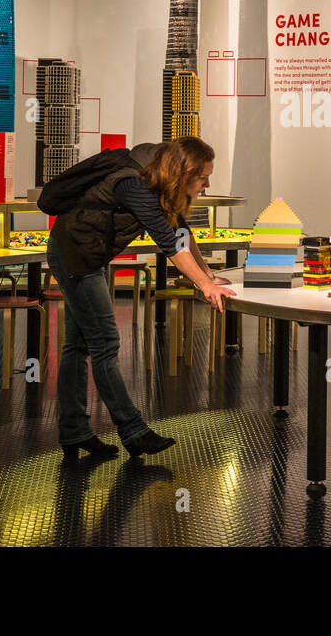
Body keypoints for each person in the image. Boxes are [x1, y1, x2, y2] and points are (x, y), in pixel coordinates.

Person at [46, 136, 236, 460]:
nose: (207, 184)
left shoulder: (158, 179)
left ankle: (74, 431)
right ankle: (133, 431)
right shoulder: (135, 185)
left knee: (77, 346)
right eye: (203, 176)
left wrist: (208, 277)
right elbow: (169, 243)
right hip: (75, 256)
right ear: (184, 172)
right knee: (104, 344)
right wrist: (205, 286)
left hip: (87, 255)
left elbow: (181, 233)